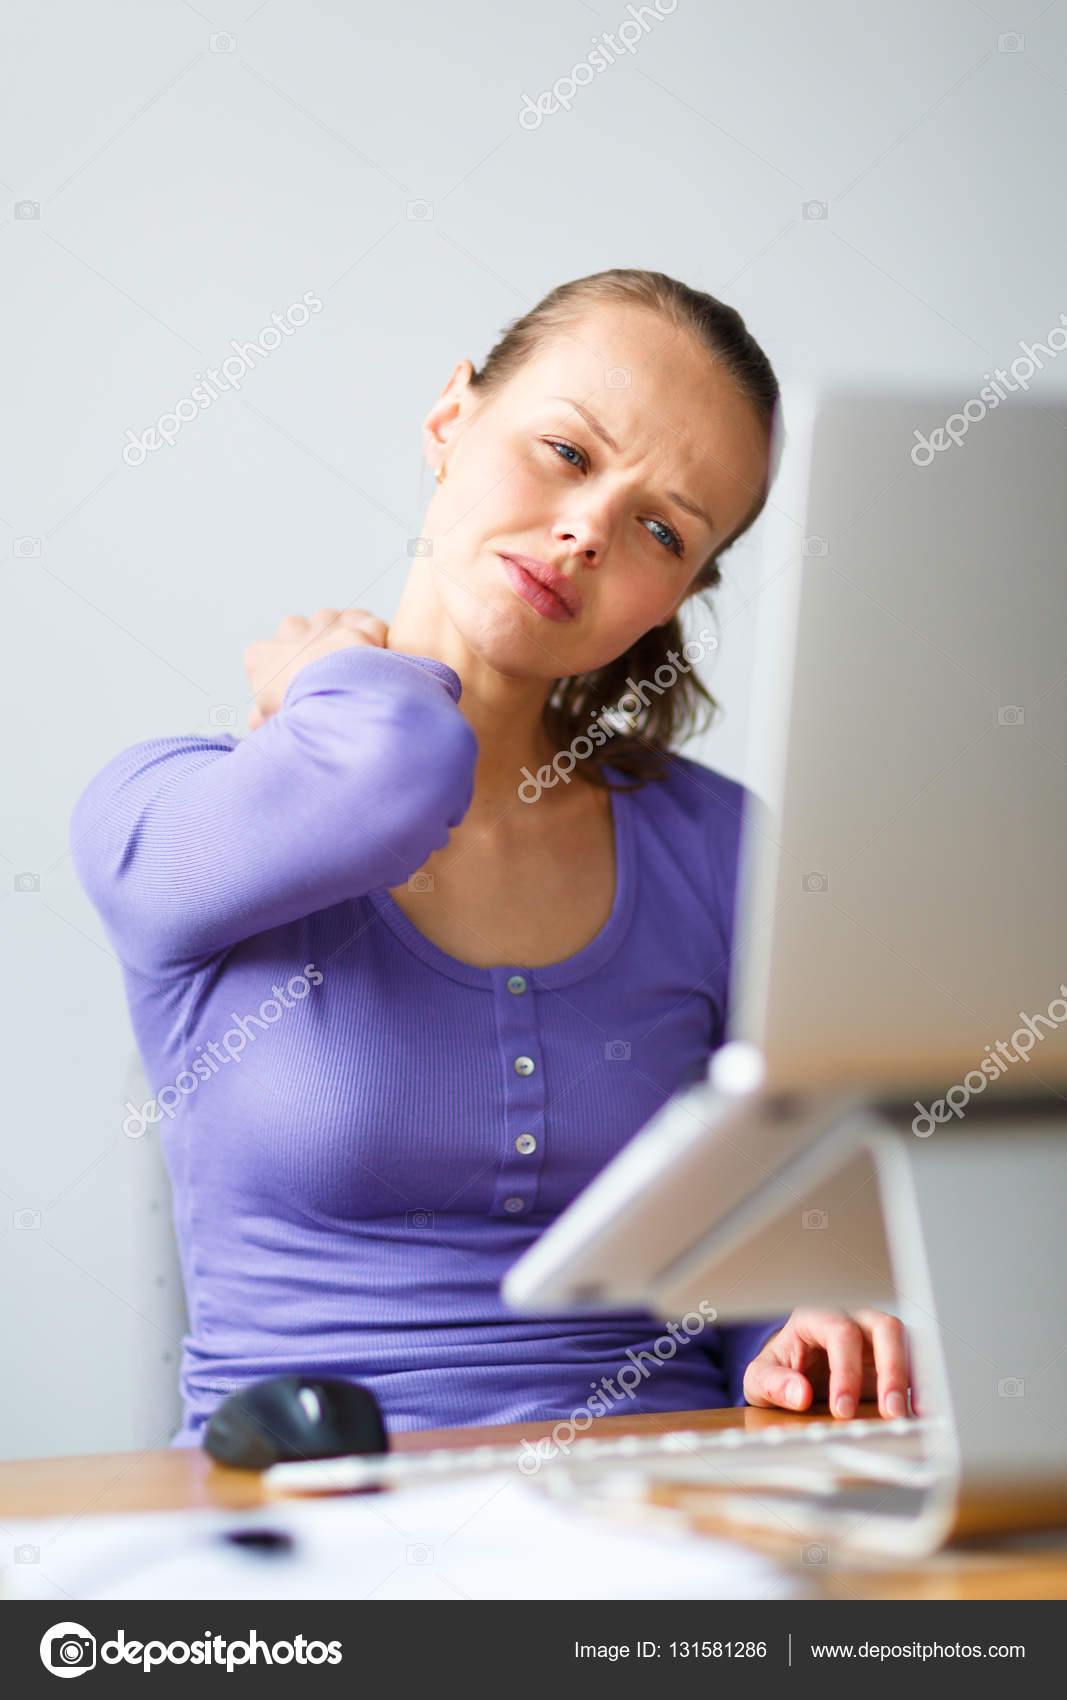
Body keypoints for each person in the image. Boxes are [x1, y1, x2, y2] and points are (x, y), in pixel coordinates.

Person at [71, 268, 911, 1446]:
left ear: (674, 597)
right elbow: (388, 780)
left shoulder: (719, 849)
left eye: (661, 530)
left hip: (665, 1506)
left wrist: (799, 1324)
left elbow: (753, 1247)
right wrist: (340, 689)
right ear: (449, 419)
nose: (586, 531)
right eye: (566, 451)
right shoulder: (164, 814)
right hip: (315, 1512)